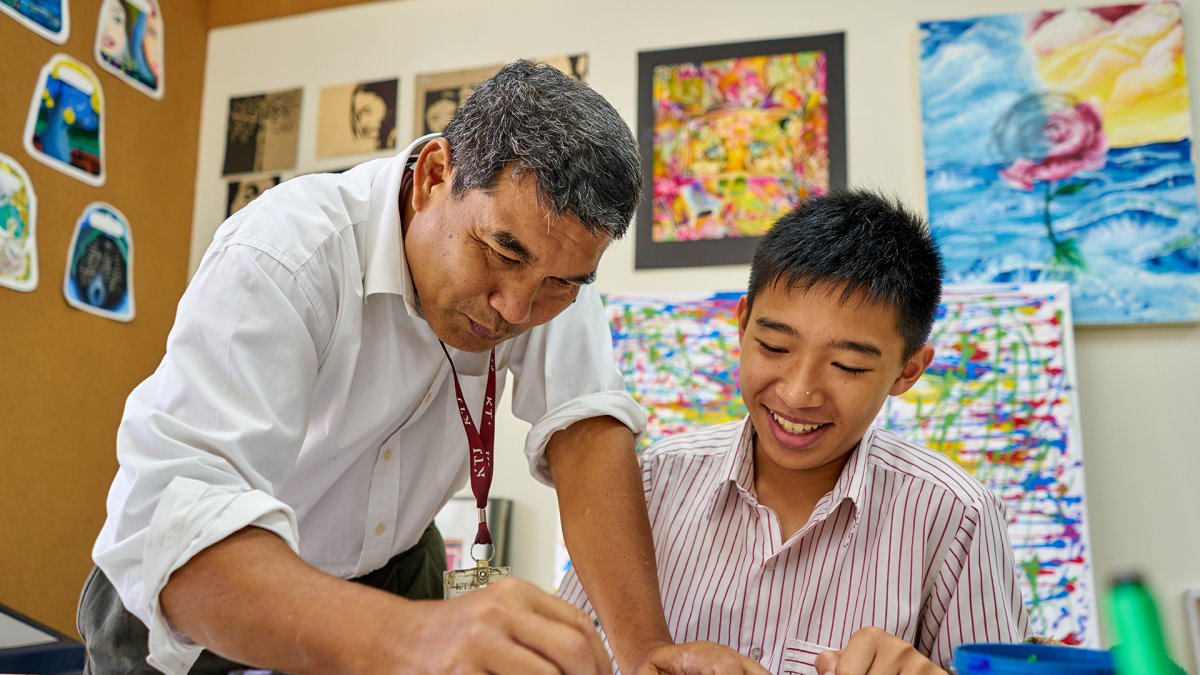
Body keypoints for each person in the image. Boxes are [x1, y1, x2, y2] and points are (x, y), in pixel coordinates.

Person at [79, 60, 764, 674]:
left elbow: (587, 431)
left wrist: (644, 650)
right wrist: (414, 637)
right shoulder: (283, 253)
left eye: (561, 282)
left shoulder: (552, 267)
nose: (517, 309)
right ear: (436, 175)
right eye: (501, 252)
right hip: (213, 593)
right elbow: (177, 527)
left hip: (394, 567)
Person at [559, 189, 1031, 674]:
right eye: (775, 347)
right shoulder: (655, 481)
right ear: (742, 325)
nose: (799, 393)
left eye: (847, 366)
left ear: (908, 370)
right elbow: (564, 655)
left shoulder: (955, 517)